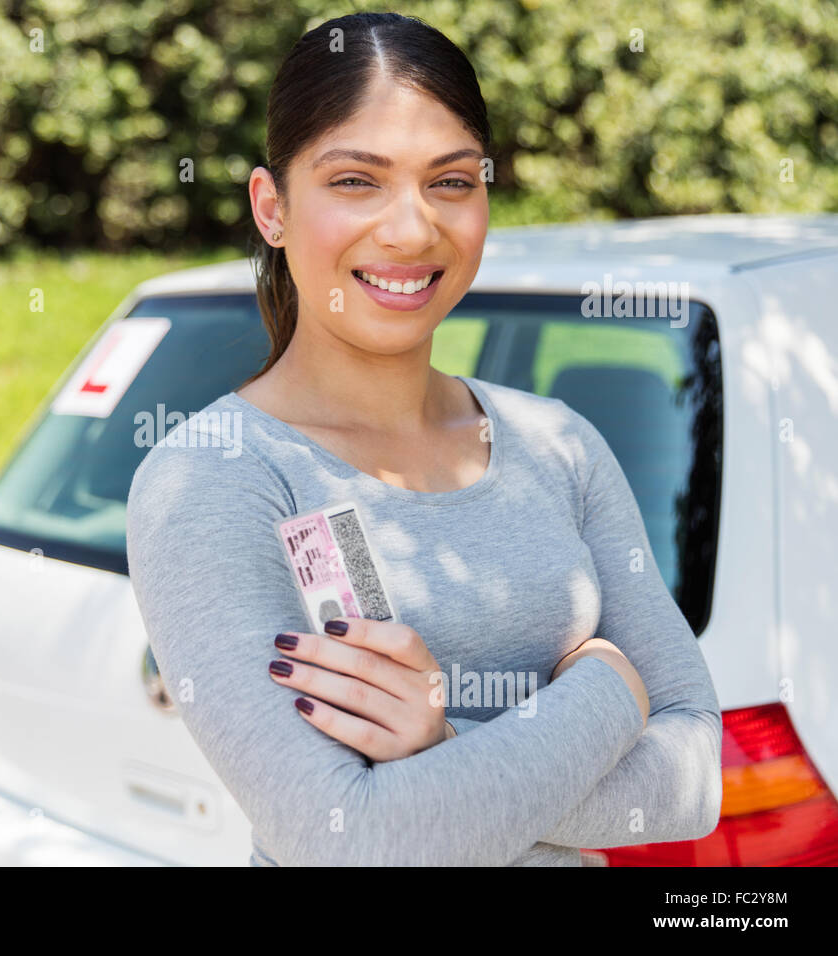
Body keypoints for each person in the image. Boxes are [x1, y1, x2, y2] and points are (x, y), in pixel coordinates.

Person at [124, 11, 722, 866]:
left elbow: (697, 775)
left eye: (450, 182)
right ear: (272, 207)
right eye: (356, 181)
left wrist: (441, 751)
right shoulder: (219, 478)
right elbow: (351, 837)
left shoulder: (559, 445)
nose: (411, 230)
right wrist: (610, 688)